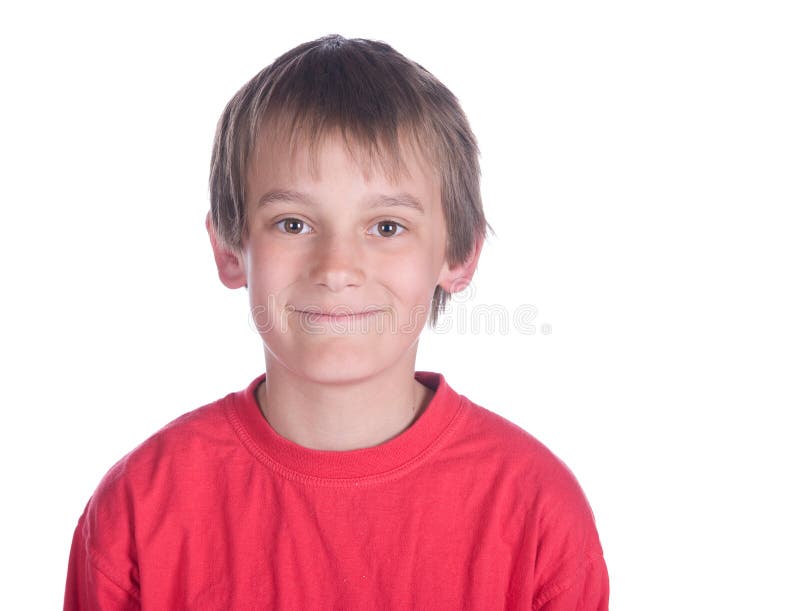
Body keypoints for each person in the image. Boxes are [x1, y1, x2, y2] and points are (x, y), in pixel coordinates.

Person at [64, 34, 609, 610]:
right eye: (293, 224)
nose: (337, 268)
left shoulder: (536, 511)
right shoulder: (140, 508)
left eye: (387, 227)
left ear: (460, 255)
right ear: (230, 249)